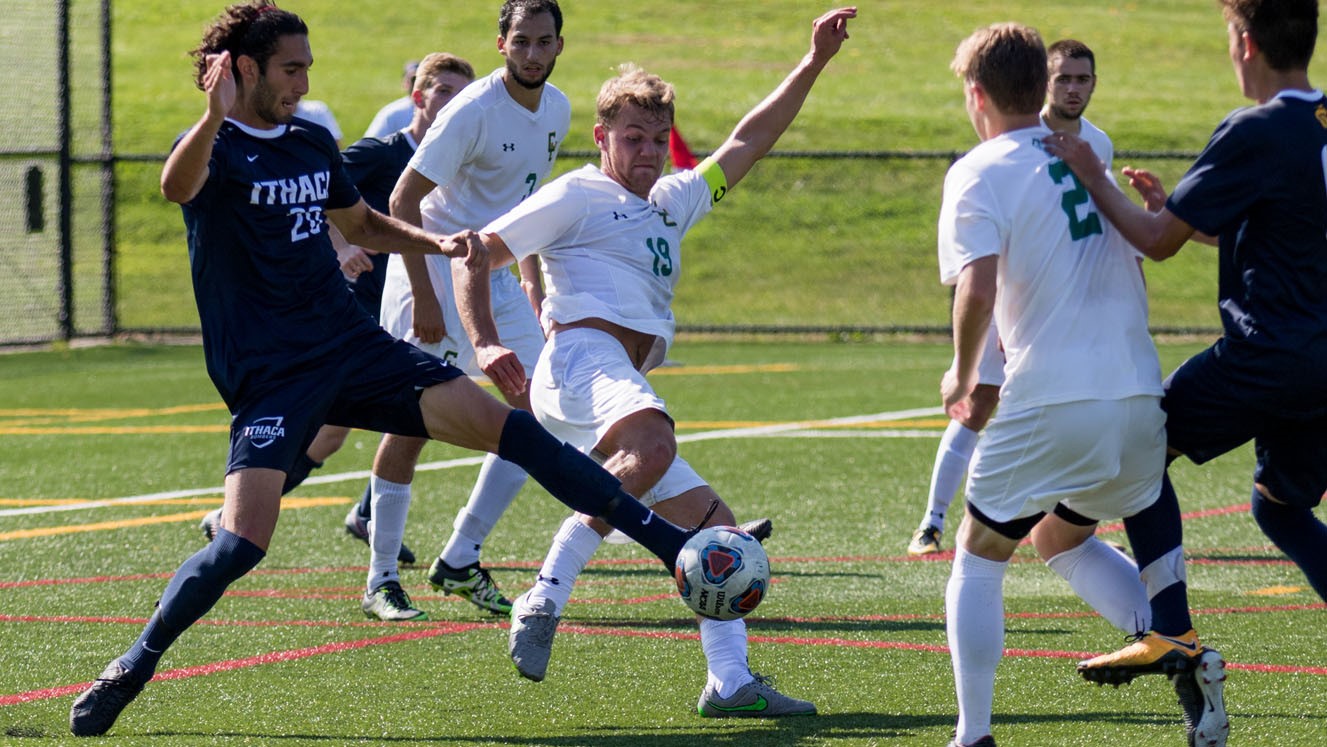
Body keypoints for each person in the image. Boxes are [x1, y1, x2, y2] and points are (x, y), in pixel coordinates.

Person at [67, 2, 700, 736]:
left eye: (306, 67)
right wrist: (213, 116)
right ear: (244, 70)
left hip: (353, 346)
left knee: (513, 429)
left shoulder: (309, 139)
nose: (303, 82)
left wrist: (442, 244)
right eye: (290, 68)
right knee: (240, 544)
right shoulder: (214, 147)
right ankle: (133, 664)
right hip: (273, 375)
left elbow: (361, 224)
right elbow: (176, 188)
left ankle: (673, 548)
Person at [451, 5, 857, 719]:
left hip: (614, 378)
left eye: (657, 138)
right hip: (581, 358)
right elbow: (477, 251)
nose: (645, 149)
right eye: (632, 137)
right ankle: (543, 591)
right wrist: (484, 340)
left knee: (717, 536)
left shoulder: (674, 200)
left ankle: (728, 680)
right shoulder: (578, 193)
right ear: (602, 137)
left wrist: (814, 61)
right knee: (652, 439)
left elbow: (747, 142)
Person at [940, 23, 1226, 747]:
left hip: (1052, 395)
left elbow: (975, 290)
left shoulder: (977, 170)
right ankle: (1176, 642)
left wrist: (963, 372)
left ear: (975, 94)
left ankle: (971, 735)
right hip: (1136, 393)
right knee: (1059, 536)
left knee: (976, 553)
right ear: (1042, 86)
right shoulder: (1089, 149)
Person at [194, 52, 477, 569]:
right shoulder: (381, 152)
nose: (453, 106)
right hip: (352, 301)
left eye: (464, 98)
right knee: (346, 424)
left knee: (361, 424)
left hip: (398, 297)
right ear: (418, 96)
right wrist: (341, 245)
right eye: (444, 94)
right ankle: (242, 515)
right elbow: (308, 191)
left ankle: (354, 513)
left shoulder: (457, 160)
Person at [354, 0, 570, 622]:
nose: (532, 53)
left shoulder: (556, 107)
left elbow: (524, 211)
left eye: (543, 42)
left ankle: (459, 556)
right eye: (521, 40)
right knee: (411, 425)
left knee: (538, 413)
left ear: (560, 46)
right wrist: (423, 292)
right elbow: (402, 198)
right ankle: (381, 578)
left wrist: (531, 281)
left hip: (496, 279)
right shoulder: (472, 109)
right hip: (432, 272)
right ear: (501, 43)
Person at [908, 38, 1114, 558]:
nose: (1072, 88)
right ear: (1040, 83)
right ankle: (932, 522)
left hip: (1066, 315)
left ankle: (1059, 520)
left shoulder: (1098, 145)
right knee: (976, 403)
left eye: (1082, 79)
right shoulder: (1016, 142)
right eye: (1062, 78)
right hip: (1012, 302)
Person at [364, 60, 419, 139]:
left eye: (419, 79)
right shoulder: (392, 113)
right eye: (413, 79)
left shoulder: (438, 109)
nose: (416, 84)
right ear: (404, 83)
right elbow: (371, 142)